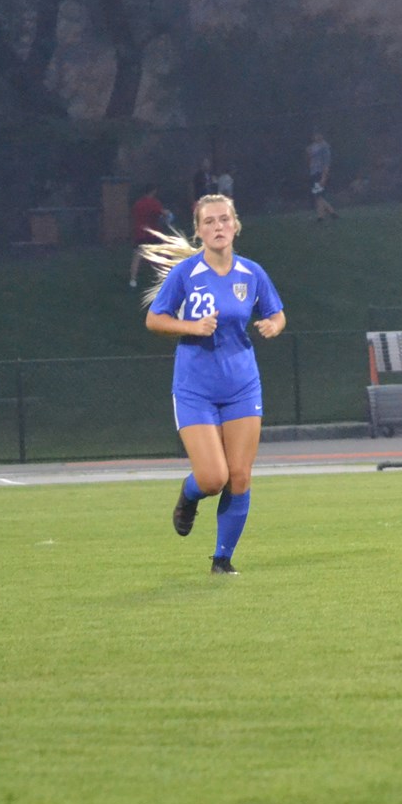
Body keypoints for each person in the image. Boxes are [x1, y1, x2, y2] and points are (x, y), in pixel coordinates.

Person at [141, 194, 287, 574]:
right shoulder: (185, 274)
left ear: (236, 225)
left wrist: (273, 324)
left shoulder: (252, 273)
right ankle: (188, 497)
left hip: (242, 387)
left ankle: (222, 560)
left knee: (238, 476)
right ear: (200, 231)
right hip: (196, 389)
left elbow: (277, 312)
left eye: (224, 220)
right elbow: (155, 320)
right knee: (212, 478)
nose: (218, 227)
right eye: (210, 222)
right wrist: (191, 326)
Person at [127, 184, 168, 288]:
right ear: (153, 191)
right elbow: (163, 214)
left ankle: (133, 280)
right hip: (153, 234)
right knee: (162, 255)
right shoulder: (155, 203)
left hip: (140, 233)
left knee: (137, 257)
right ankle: (163, 278)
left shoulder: (138, 204)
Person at [307, 131, 337, 222]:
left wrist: (324, 177)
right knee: (317, 195)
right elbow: (309, 157)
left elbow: (326, 164)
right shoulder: (313, 146)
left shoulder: (324, 148)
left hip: (320, 173)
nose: (316, 137)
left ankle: (323, 215)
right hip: (313, 172)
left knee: (318, 195)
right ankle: (329, 214)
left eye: (318, 134)